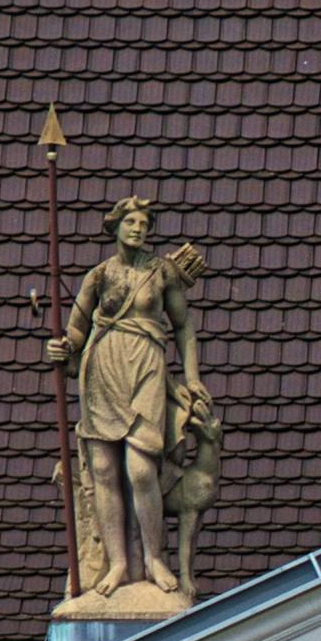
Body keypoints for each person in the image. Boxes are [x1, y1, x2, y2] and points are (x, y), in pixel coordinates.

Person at [51, 195, 214, 617]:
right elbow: (77, 326)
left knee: (142, 469)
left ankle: (154, 559)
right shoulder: (100, 275)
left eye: (144, 223)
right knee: (104, 468)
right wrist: (64, 347)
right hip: (103, 368)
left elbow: (184, 329)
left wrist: (192, 376)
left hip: (144, 365)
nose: (138, 229)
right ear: (116, 227)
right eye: (131, 222)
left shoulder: (161, 273)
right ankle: (119, 562)